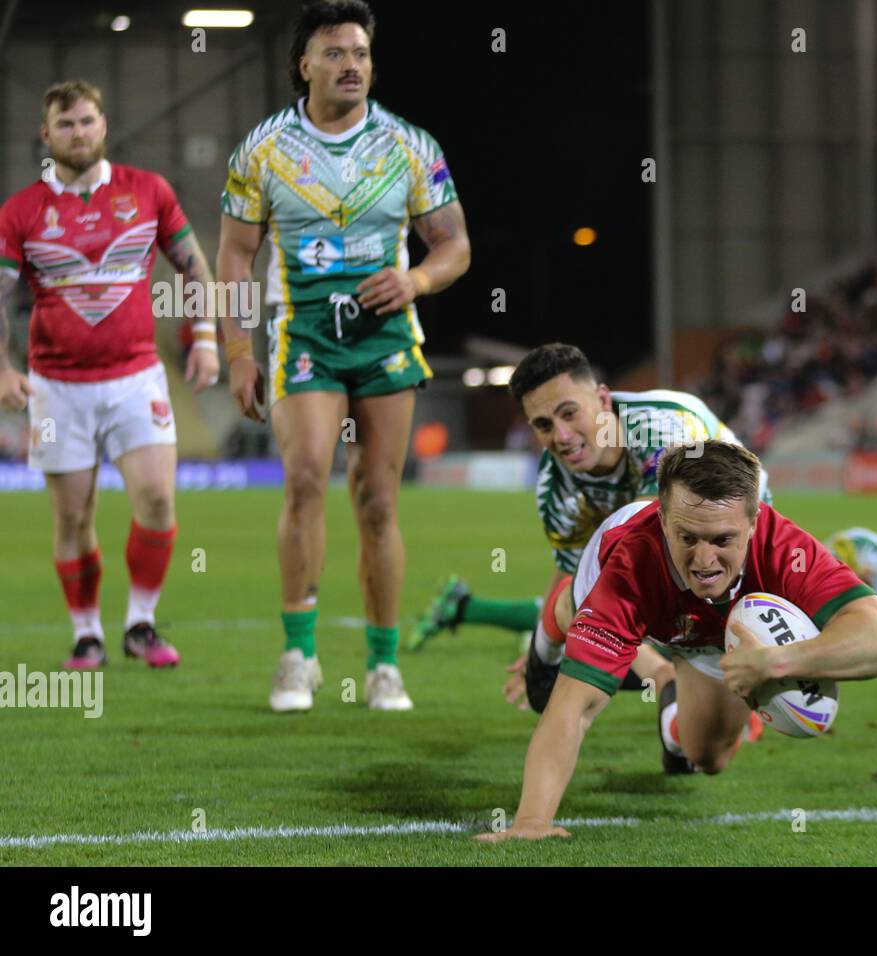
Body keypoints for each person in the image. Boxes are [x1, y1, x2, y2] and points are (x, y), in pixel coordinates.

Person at [216, 0, 470, 711]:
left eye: (360, 52)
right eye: (335, 52)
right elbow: (235, 256)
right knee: (302, 481)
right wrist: (239, 350)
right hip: (304, 337)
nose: (351, 64)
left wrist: (415, 278)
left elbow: (455, 246)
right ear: (305, 66)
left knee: (378, 500)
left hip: (385, 339)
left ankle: (384, 666)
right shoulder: (264, 149)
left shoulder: (410, 146)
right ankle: (298, 655)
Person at [477, 441, 877, 842]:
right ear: (662, 518)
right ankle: (554, 624)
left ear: (755, 522)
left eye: (723, 540)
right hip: (640, 602)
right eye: (688, 538)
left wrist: (779, 661)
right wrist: (532, 821)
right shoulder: (628, 564)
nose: (704, 562)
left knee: (708, 759)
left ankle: (668, 683)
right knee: (570, 616)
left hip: (719, 635)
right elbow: (578, 704)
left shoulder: (785, 548)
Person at [408, 343, 770, 722]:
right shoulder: (554, 487)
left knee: (659, 597)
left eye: (569, 413)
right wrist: (544, 646)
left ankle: (693, 684)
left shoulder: (663, 428)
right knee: (613, 609)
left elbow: (651, 545)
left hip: (733, 527)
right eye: (544, 425)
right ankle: (680, 686)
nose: (561, 436)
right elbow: (571, 577)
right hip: (657, 544)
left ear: (601, 398)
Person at [0, 80, 221, 669]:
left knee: (157, 499)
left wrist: (204, 339)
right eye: (65, 124)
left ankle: (141, 625)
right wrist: (2, 366)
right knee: (73, 517)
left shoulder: (148, 191)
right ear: (46, 135)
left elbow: (195, 268)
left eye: (87, 121)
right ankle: (86, 633)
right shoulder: (22, 211)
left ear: (104, 124)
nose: (79, 132)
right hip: (55, 389)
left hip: (136, 378)